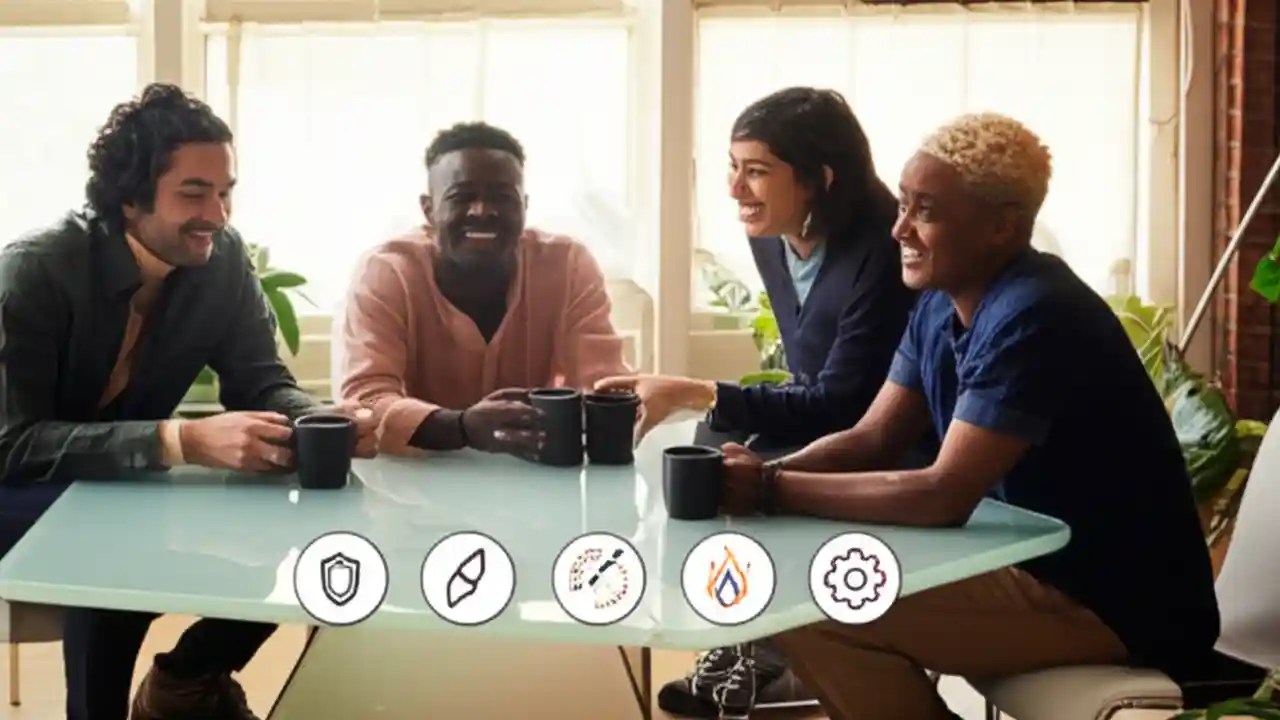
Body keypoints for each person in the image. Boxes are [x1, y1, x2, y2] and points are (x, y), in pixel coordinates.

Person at [715, 112, 1220, 719]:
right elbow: (872, 438)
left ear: (1002, 226)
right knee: (821, 586)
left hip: (1113, 602)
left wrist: (770, 488)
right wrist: (754, 477)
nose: (899, 228)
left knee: (822, 599)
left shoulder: (1034, 313)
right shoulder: (938, 302)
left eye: (924, 210)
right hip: (1030, 570)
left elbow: (942, 493)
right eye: (902, 204)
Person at [0, 83, 376, 720]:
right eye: (194, 193)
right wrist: (180, 440)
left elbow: (260, 378)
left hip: (113, 487)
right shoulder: (36, 270)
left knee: (310, 515)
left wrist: (316, 417)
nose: (219, 214)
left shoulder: (221, 261)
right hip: (20, 486)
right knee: (110, 539)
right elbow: (11, 443)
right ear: (130, 197)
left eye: (226, 192)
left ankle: (186, 678)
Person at [596, 87, 923, 717]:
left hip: (893, 438)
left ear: (820, 179)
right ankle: (745, 636)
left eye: (756, 171)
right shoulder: (772, 234)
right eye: (732, 166)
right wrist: (713, 407)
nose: (735, 188)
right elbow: (809, 371)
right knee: (709, 449)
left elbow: (847, 405)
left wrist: (698, 391)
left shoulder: (883, 250)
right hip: (829, 411)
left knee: (738, 463)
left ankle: (777, 653)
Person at [336, 121, 630, 458]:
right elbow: (364, 401)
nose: (482, 211)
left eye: (502, 198)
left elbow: (604, 383)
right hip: (415, 481)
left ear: (525, 206)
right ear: (429, 209)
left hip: (530, 476)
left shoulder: (568, 264)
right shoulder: (386, 272)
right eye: (461, 197)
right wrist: (460, 427)